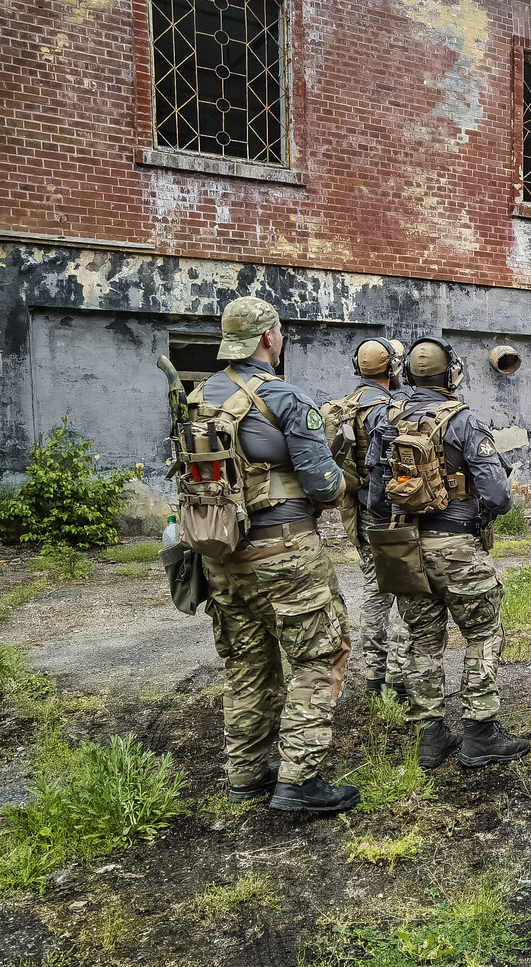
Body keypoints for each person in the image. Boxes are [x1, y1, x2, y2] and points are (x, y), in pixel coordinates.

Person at [192, 297, 359, 814]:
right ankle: (299, 780)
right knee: (317, 654)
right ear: (268, 336)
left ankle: (245, 772)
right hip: (284, 553)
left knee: (247, 661)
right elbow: (326, 487)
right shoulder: (285, 398)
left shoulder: (199, 398)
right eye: (280, 331)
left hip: (220, 554)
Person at [363, 337, 530, 769]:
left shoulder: (387, 422)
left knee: (422, 642)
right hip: (455, 546)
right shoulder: (465, 421)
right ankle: (479, 733)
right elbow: (498, 495)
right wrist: (473, 514)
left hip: (403, 548)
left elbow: (375, 500)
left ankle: (431, 736)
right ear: (451, 374)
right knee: (483, 633)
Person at [325, 338, 409, 699]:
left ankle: (374, 677)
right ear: (392, 368)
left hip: (358, 516)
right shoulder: (390, 410)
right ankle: (398, 680)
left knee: (374, 592)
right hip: (391, 516)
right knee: (408, 594)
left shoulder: (344, 407)